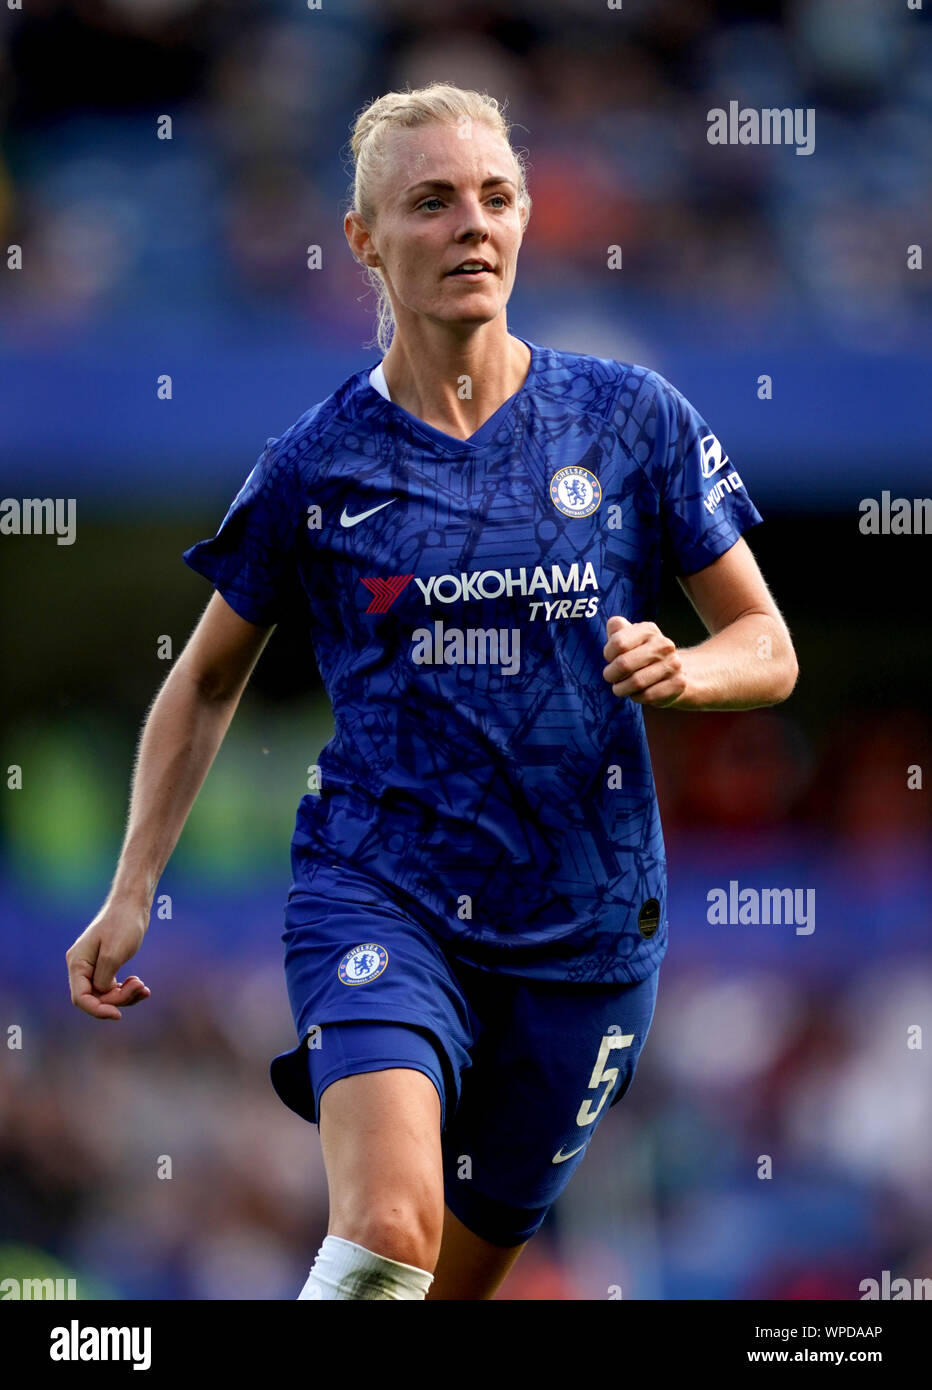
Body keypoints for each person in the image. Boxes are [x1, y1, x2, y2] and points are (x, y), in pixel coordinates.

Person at [65, 82, 798, 1301]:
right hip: (381, 895)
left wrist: (686, 670)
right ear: (362, 240)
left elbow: (763, 642)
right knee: (390, 1229)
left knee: (439, 1293)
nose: (472, 225)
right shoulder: (316, 463)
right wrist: (132, 888)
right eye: (432, 201)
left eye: (495, 197)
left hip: (586, 937)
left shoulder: (629, 420)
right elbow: (200, 683)